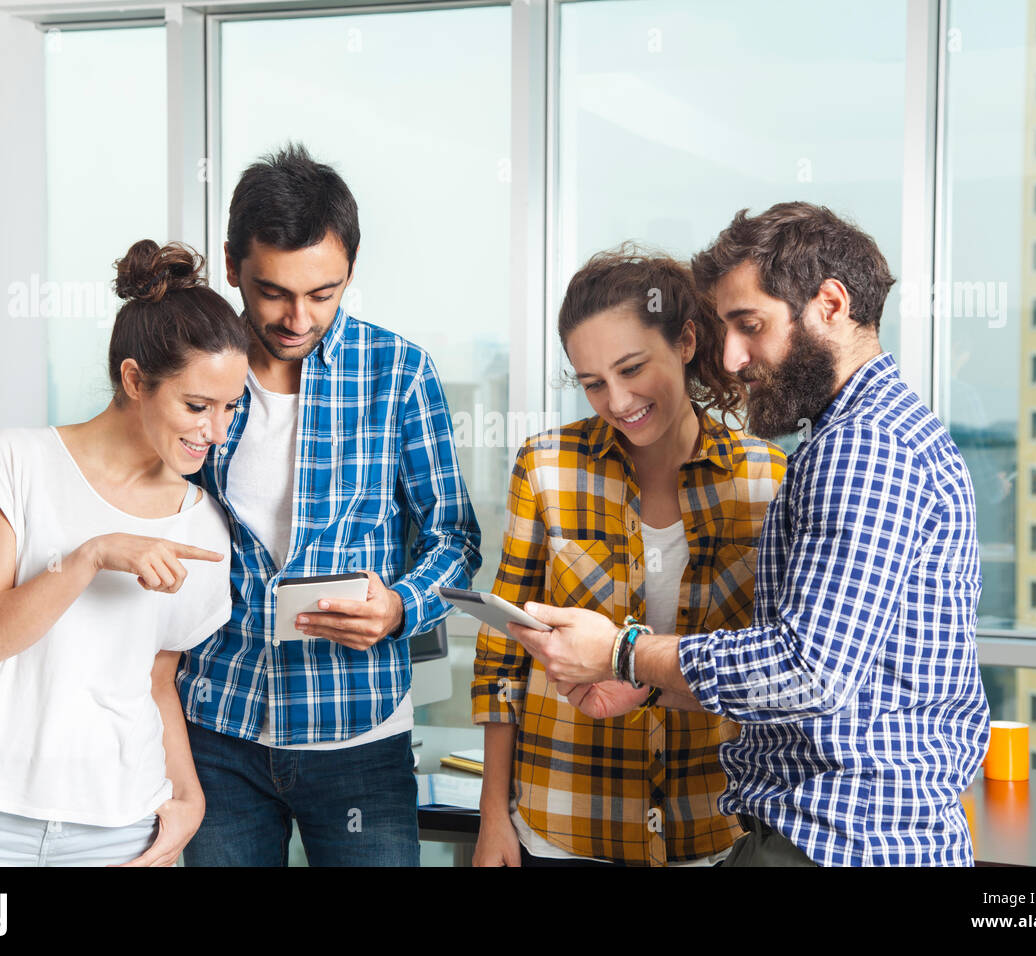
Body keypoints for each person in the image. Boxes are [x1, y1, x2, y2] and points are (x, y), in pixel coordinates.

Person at [509, 202, 991, 867]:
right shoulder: (860, 437)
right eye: (725, 330)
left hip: (840, 841)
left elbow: (807, 670)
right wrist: (645, 683)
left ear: (830, 304)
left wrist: (623, 653)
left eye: (750, 326)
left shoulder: (864, 449)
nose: (732, 358)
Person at [178, 142, 482, 867]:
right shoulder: (190, 374)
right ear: (231, 266)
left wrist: (403, 606)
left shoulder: (398, 373)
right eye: (273, 291)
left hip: (358, 733)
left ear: (349, 272)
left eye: (324, 292)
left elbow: (456, 539)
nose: (296, 317)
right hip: (216, 722)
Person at [0, 240, 248, 866]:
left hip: (121, 828)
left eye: (229, 408)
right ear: (135, 380)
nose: (215, 432)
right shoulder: (10, 465)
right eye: (197, 406)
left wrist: (189, 798)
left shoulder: (201, 530)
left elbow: (156, 681)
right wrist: (89, 556)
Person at [471, 247, 787, 867]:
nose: (616, 400)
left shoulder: (766, 479)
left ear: (689, 341)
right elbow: (502, 654)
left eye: (632, 368)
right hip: (563, 822)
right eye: (592, 382)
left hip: (711, 828)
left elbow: (774, 664)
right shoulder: (546, 468)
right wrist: (492, 819)